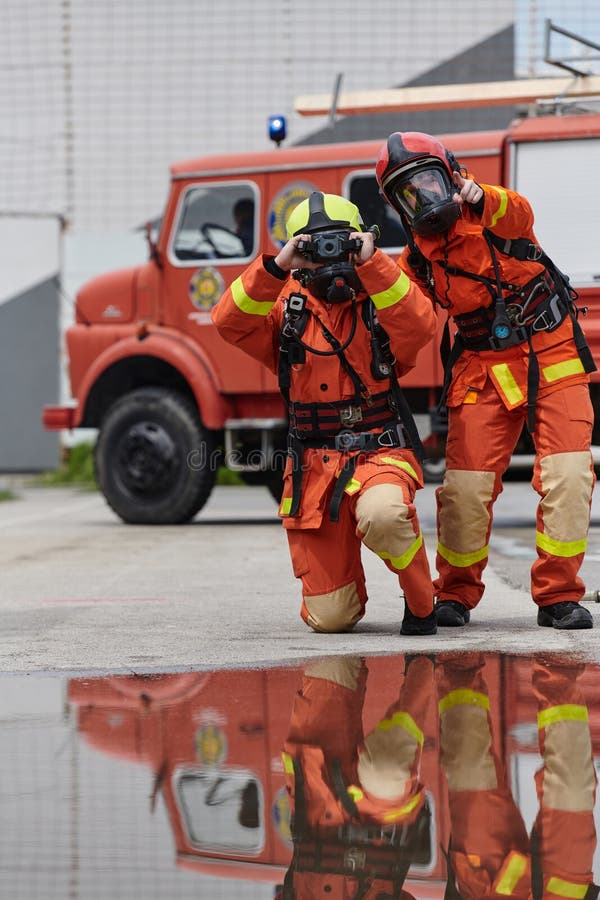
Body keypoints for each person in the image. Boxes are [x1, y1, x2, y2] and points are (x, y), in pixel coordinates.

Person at [376, 131, 597, 630]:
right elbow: (407, 320)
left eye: (428, 183)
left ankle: (558, 596)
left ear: (452, 173)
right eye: (407, 194)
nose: (423, 200)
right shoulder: (415, 260)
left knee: (568, 476)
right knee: (464, 491)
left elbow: (520, 213)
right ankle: (454, 593)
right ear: (396, 206)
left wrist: (483, 196)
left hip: (550, 354)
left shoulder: (493, 209)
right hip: (481, 368)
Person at [211, 191, 438, 635]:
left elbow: (421, 325)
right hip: (315, 471)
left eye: (341, 243)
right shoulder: (287, 313)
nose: (330, 257)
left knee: (385, 514)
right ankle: (348, 588)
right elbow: (227, 322)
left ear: (360, 240)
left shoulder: (380, 300)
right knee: (330, 619)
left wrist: (371, 262)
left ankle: (422, 603)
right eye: (316, 247)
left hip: (380, 454)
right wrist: (277, 267)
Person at [436, 652, 598, 898]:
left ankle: (459, 665)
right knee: (573, 783)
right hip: (560, 891)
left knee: (468, 763)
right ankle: (557, 666)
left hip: (486, 886)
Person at [280, 655, 435, 898]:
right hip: (380, 820)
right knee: (387, 770)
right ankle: (423, 662)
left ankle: (343, 619)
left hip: (316, 795)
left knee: (330, 638)